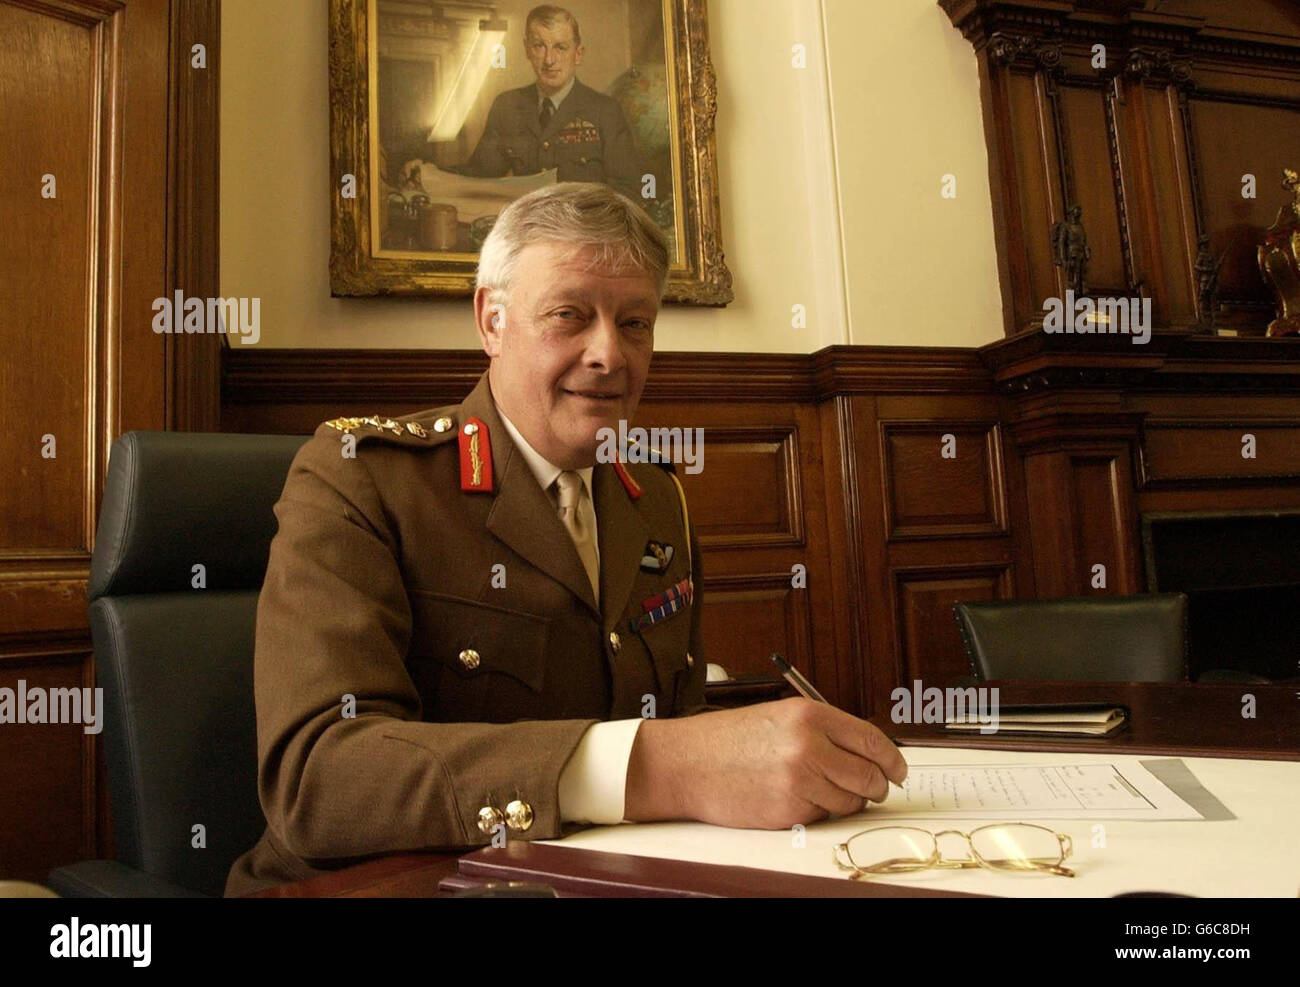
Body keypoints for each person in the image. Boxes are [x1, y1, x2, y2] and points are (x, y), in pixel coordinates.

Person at [224, 182, 906, 896]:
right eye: (569, 315)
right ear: (492, 320)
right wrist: (658, 764)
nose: (610, 353)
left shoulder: (656, 499)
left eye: (635, 322)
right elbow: (319, 779)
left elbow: (680, 724)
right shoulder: (364, 478)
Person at [457, 4, 641, 198]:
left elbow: (628, 193)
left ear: (578, 54)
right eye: (539, 46)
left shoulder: (605, 111)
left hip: (582, 226)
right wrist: (430, 172)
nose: (549, 60)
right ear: (527, 49)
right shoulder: (507, 106)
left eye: (560, 47)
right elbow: (477, 176)